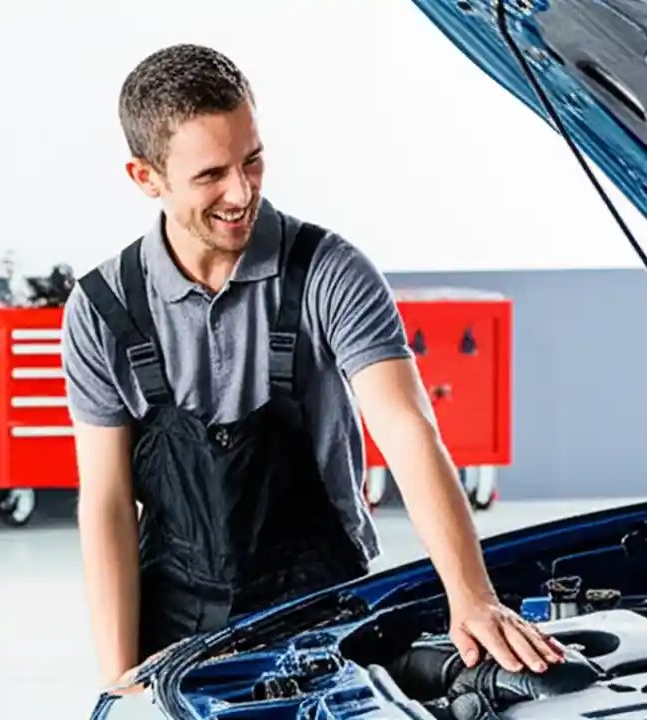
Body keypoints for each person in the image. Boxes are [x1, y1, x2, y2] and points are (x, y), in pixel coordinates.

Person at [61, 43, 565, 691]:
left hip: (320, 603)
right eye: (211, 174)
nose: (241, 191)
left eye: (252, 159)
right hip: (173, 618)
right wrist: (119, 676)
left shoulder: (330, 272)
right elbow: (106, 500)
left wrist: (470, 595)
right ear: (145, 177)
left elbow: (407, 429)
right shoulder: (102, 309)